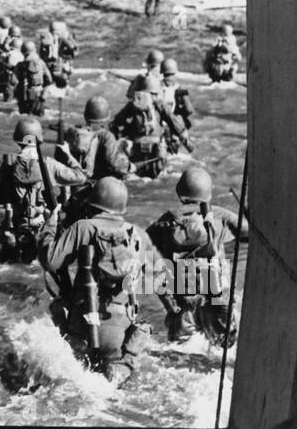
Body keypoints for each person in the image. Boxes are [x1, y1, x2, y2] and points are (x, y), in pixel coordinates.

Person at [38, 177, 150, 387]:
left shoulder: (83, 227)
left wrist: (50, 226)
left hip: (84, 323)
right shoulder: (136, 235)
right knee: (111, 390)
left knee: (74, 385)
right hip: (120, 328)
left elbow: (51, 261)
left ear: (93, 202)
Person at [146, 166, 244, 346]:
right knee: (224, 346)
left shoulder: (164, 223)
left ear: (179, 193)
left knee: (182, 351)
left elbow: (142, 254)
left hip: (183, 299)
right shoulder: (220, 217)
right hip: (216, 294)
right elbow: (249, 234)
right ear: (207, 193)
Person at [0, 117, 87, 262]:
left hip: (16, 230)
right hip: (42, 231)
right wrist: (68, 154)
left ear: (18, 140)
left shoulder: (9, 165)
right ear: (39, 140)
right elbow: (81, 177)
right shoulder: (49, 165)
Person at [111, 74, 187, 178]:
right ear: (157, 91)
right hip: (156, 150)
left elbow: (115, 123)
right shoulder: (160, 104)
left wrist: (123, 137)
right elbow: (173, 121)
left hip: (137, 150)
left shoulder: (133, 104)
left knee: (138, 177)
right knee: (156, 179)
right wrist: (180, 136)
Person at [57, 96, 133, 181]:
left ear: (85, 115)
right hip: (98, 184)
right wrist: (129, 166)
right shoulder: (106, 136)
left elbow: (60, 156)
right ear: (105, 118)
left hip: (76, 181)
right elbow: (114, 163)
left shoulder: (73, 132)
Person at [158, 59, 194, 152]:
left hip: (159, 126)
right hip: (175, 127)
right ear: (175, 70)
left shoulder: (156, 86)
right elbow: (189, 109)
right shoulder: (179, 88)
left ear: (162, 70)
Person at [14, 39, 53, 116]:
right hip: (37, 96)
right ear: (34, 50)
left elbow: (15, 80)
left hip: (23, 96)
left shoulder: (19, 65)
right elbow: (49, 80)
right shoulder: (41, 63)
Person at [38, 21, 76, 89]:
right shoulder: (62, 39)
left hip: (50, 65)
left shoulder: (47, 40)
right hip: (58, 64)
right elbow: (72, 48)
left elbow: (41, 54)